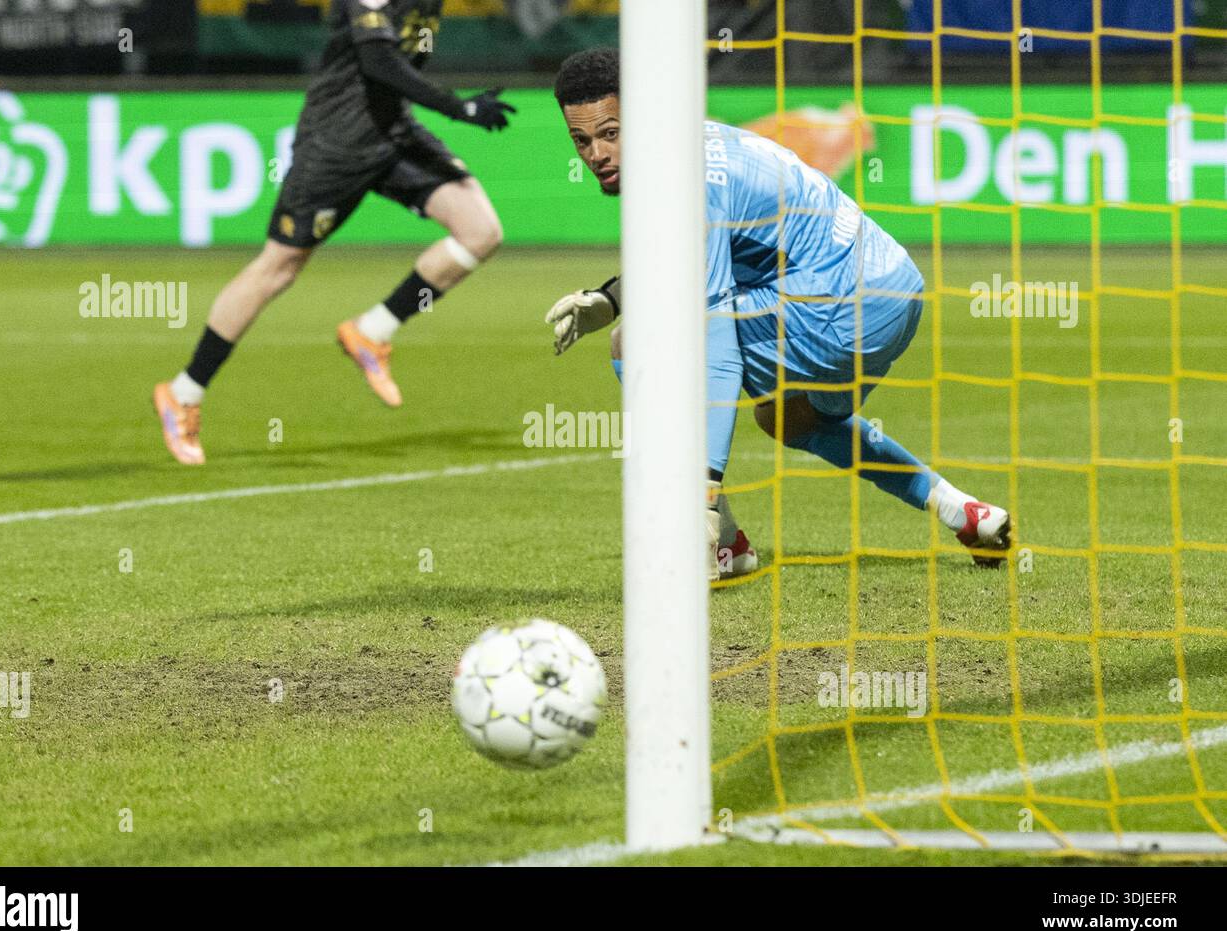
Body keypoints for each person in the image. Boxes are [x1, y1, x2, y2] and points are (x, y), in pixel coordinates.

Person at [545, 48, 1011, 579]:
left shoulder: (687, 177)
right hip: (892, 293)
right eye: (581, 141)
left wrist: (701, 493)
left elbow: (714, 338)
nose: (597, 154)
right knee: (788, 418)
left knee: (638, 342)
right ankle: (964, 512)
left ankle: (711, 530)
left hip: (836, 304)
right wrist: (608, 298)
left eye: (611, 133)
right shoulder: (696, 143)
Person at [153, 0, 515, 465]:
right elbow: (378, 61)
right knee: (278, 269)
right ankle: (183, 393)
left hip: (394, 134)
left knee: (480, 231)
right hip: (335, 146)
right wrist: (458, 106)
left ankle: (372, 331)